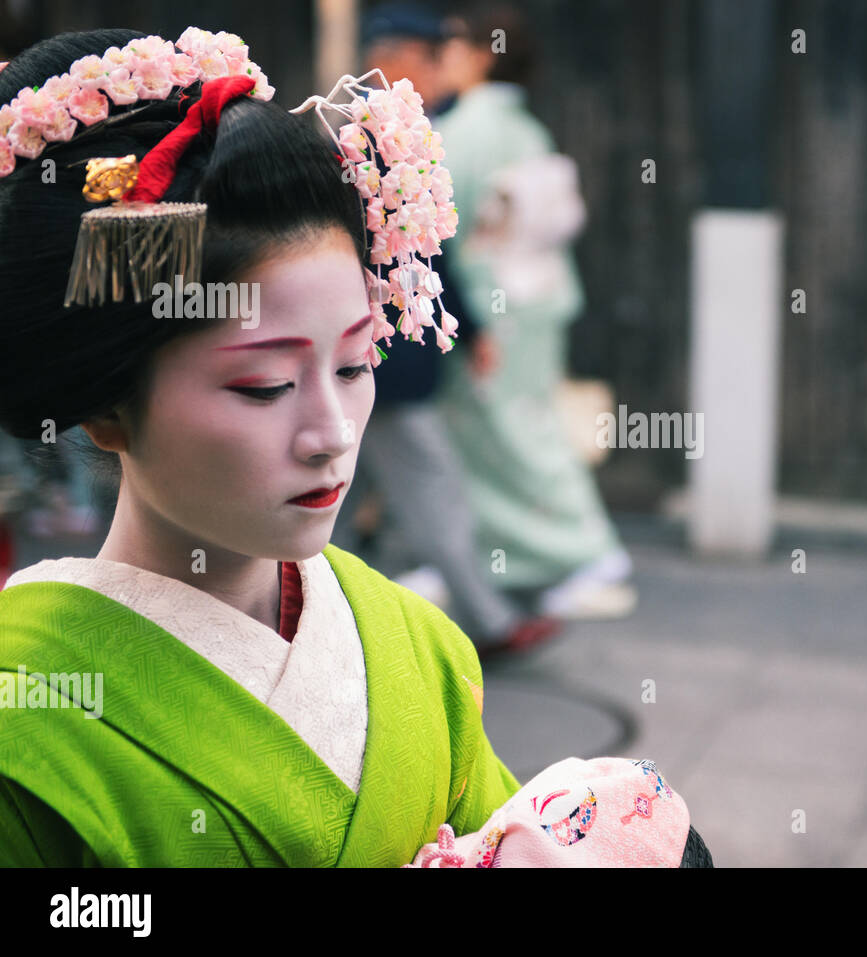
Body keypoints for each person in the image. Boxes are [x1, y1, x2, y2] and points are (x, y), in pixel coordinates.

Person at [0, 27, 521, 865]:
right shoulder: (24, 729)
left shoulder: (420, 649)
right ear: (106, 405)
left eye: (356, 362)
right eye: (264, 386)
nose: (332, 432)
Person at [336, 2, 560, 656]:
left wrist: (467, 325)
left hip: (377, 347)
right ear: (400, 59)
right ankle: (489, 620)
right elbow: (415, 253)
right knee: (427, 488)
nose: (445, 75)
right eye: (435, 59)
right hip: (382, 348)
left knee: (342, 498)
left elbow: (432, 250)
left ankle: (316, 619)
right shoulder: (368, 135)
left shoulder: (395, 130)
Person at [430, 3, 638, 619]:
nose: (442, 58)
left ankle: (588, 553)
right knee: (513, 427)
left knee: (516, 433)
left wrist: (474, 319)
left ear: (481, 54)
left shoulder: (467, 129)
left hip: (498, 304)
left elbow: (452, 223)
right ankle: (506, 557)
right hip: (535, 295)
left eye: (450, 47)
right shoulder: (523, 128)